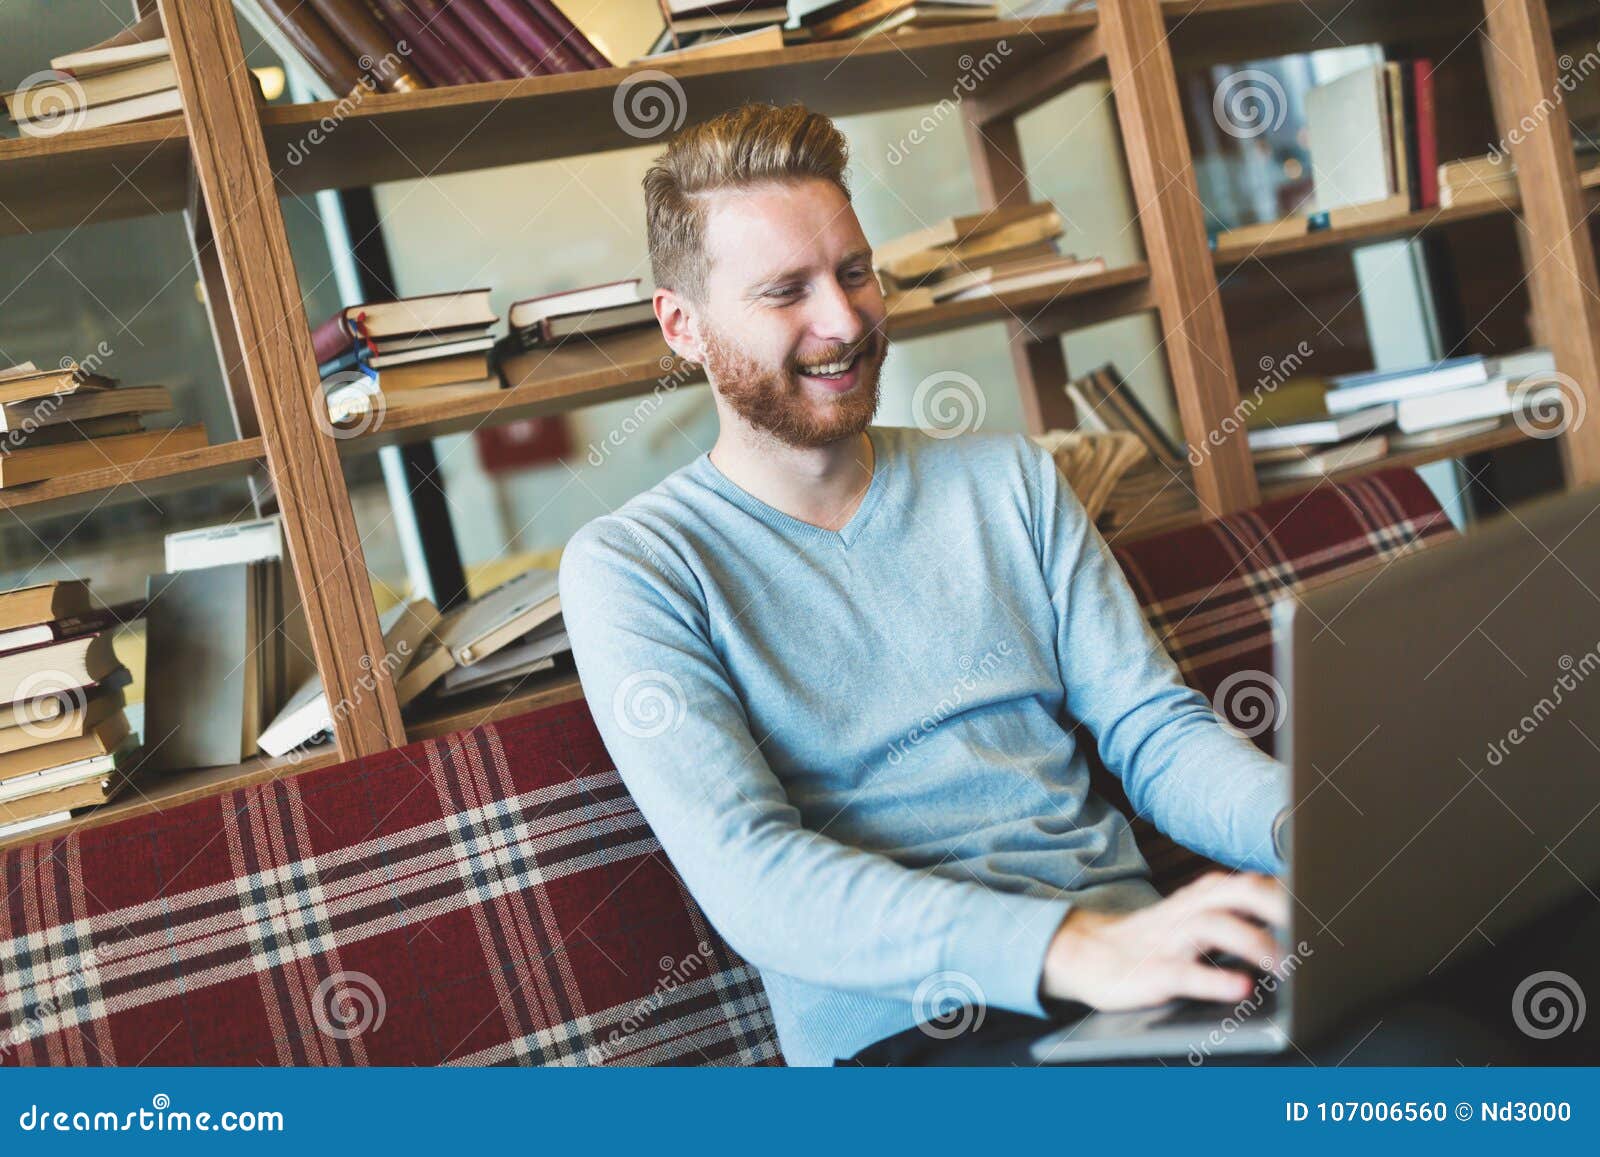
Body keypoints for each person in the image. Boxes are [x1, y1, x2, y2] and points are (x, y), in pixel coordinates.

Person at [556, 102, 1587, 1068]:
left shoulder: (1005, 478)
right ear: (681, 326)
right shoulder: (634, 568)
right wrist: (1075, 944)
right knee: (1424, 1070)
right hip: (918, 1041)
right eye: (785, 292)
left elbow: (1152, 731)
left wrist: (1321, 831)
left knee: (1552, 930)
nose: (844, 320)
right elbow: (752, 873)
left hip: (1139, 981)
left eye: (855, 271)